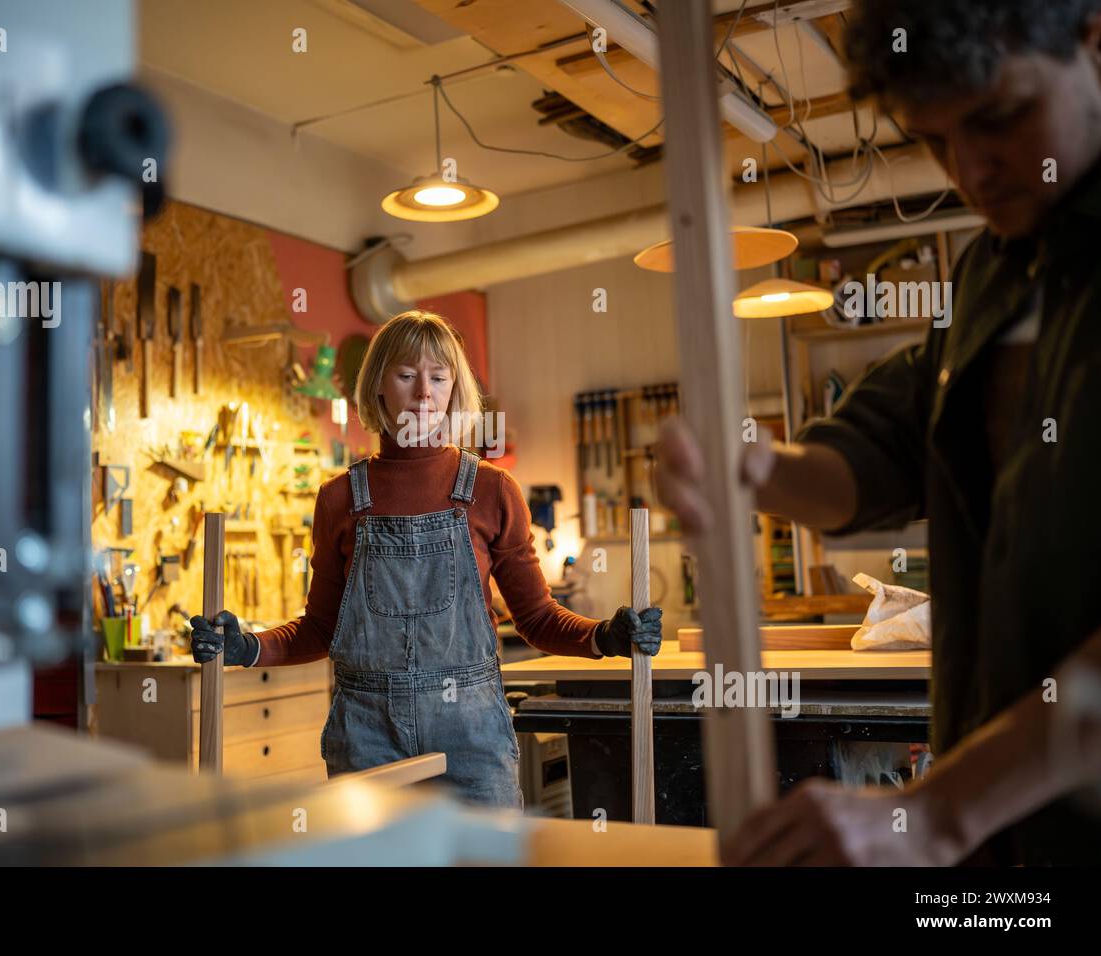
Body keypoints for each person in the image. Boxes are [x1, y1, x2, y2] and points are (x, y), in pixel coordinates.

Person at [654, 0, 1101, 866]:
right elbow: (886, 447)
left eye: (999, 116)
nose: (970, 170)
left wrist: (936, 813)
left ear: (1092, 36)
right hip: (1009, 849)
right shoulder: (992, 273)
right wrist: (753, 468)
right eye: (932, 141)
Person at [192, 310, 662, 808]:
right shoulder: (339, 498)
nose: (424, 394)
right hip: (367, 737)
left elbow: (537, 618)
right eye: (406, 375)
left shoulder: (492, 489)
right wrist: (245, 648)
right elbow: (321, 629)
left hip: (471, 740)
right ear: (378, 387)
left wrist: (604, 636)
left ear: (454, 391)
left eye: (439, 378)